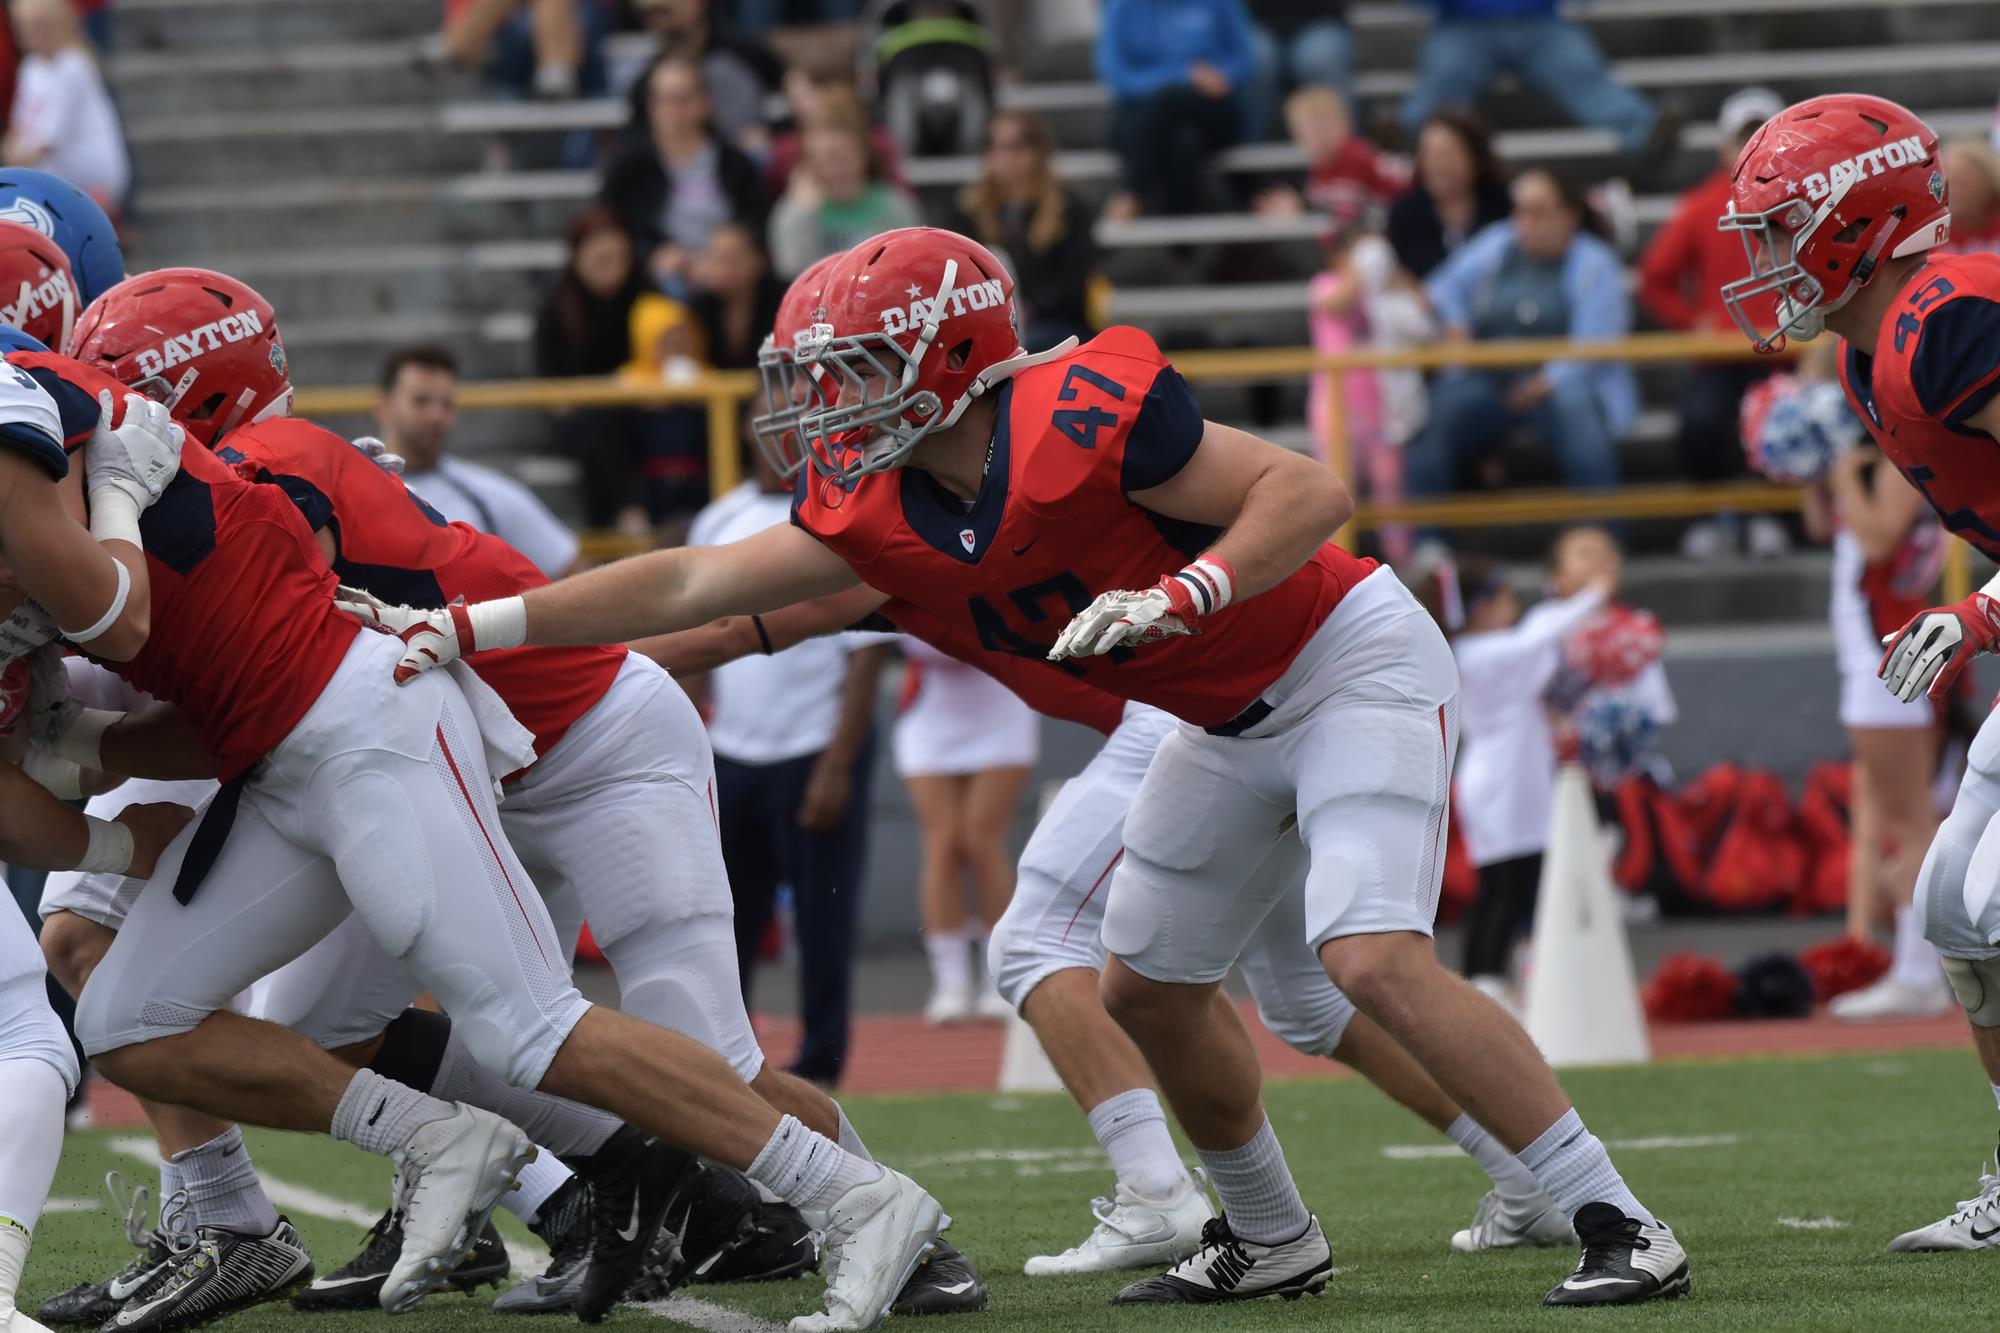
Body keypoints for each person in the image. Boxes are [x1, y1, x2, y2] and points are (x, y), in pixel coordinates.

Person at [381, 225, 1688, 1307]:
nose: (826, 401)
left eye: (856, 368)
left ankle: (1615, 1216)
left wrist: (1193, 587)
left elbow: (1304, 490)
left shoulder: (1083, 413)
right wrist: (485, 625)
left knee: (1365, 956)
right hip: (1213, 721)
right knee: (1148, 984)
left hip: (1346, 660)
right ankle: (1272, 1234)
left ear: (945, 360)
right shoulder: (883, 509)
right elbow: (696, 580)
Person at [38, 269, 955, 1333]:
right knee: (322, 1026)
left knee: (701, 1048)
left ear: (183, 399)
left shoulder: (269, 471)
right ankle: (618, 1165)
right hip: (452, 761)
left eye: (111, 390)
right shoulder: (256, 470)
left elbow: (242, 638)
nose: (87, 420)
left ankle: (898, 1229)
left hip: (586, 746)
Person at [1721, 92, 2000, 1252]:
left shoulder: (1947, 317)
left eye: (1781, 229)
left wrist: (1979, 614)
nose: (1764, 261)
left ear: (1855, 218)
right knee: (1950, 910)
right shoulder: (1865, 356)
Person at [684, 446, 892, 1086]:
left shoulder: (839, 515)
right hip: (734, 750)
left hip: (812, 747)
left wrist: (838, 762)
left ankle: (824, 1063)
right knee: (727, 918)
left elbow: (865, 655)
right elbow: (693, 635)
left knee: (822, 917)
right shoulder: (719, 519)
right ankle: (733, 1058)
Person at [1796, 402, 1950, 1021]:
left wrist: (1838, 471)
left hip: (1884, 653)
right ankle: (1924, 968)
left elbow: (1879, 536)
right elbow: (1820, 529)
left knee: (1912, 824)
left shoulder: (1898, 457)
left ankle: (1921, 973)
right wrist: (1814, 475)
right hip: (1869, 653)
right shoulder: (1866, 464)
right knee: (1903, 821)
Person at [1416, 556, 1611, 1009]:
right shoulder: (1478, 652)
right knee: (1502, 887)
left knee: (1524, 884)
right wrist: (1595, 589)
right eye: (1503, 597)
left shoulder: (1493, 648)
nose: (1513, 605)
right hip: (1500, 783)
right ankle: (1482, 983)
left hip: (1516, 779)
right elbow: (1541, 634)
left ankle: (1505, 977)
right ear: (1480, 608)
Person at [1405, 168, 1638, 513]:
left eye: (1539, 212)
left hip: (1562, 384)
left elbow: (1597, 343)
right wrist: (1456, 324)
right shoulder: (1499, 243)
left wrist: (1545, 382)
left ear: (1569, 216)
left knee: (1579, 414)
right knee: (1437, 413)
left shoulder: (1596, 263)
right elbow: (1442, 287)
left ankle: (1600, 540)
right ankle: (1430, 549)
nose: (1526, 222)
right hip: (1490, 377)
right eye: (1520, 211)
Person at [1637, 87, 1789, 560]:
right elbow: (1654, 277)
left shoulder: (1804, 197)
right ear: (1725, 148)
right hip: (1724, 353)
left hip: (1789, 349)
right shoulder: (1702, 206)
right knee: (1701, 424)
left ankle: (1772, 516)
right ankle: (1716, 514)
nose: (1750, 149)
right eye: (1744, 139)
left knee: (1785, 424)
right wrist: (1691, 322)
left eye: (1762, 137)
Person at [894, 635, 1038, 1023]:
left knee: (980, 840)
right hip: (929, 716)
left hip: (1002, 712)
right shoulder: (897, 584)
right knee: (941, 845)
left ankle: (997, 978)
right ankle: (951, 983)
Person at [375, 345, 580, 580]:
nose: (436, 415)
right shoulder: (345, 488)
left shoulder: (488, 496)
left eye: (447, 404)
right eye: (421, 401)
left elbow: (571, 571)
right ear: (383, 406)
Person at [1397, 0, 1670, 164]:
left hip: (1540, 26)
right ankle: (1407, 136)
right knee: (1445, 79)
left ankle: (1647, 134)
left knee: (1582, 72)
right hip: (1464, 28)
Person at [600, 54, 770, 299]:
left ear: (704, 102)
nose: (672, 111)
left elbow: (754, 222)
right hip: (660, 275)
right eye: (663, 100)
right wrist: (650, 255)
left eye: (682, 100)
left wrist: (720, 256)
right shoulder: (627, 167)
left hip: (726, 268)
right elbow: (610, 227)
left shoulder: (735, 163)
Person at [532, 206, 656, 534]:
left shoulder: (644, 293)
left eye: (621, 259)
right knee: (599, 425)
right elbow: (552, 388)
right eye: (602, 260)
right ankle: (624, 513)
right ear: (577, 258)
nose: (614, 270)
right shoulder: (556, 308)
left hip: (640, 408)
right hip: (584, 418)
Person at [946, 110, 1096, 352]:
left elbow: (1073, 286)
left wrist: (1026, 310)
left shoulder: (1069, 208)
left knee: (1023, 346)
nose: (1005, 157)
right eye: (996, 147)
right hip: (989, 324)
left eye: (1016, 146)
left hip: (1053, 323)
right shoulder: (968, 210)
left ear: (1038, 152)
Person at [1094, 0, 1251, 220]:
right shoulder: (1122, 6)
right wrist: (1183, 77)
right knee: (1185, 140)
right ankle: (1183, 244)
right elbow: (1116, 73)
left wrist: (1221, 76)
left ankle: (1134, 191)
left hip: (1206, 108)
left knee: (1169, 110)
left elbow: (1243, 58)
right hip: (1146, 110)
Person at [2, 0, 129, 211]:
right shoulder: (31, 67)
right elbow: (19, 126)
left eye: (41, 26)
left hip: (86, 176)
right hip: (52, 171)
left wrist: (14, 171)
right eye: (25, 27)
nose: (32, 34)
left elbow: (49, 140)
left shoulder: (73, 66)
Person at [767, 119, 921, 279]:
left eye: (845, 158)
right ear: (808, 164)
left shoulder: (893, 204)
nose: (838, 169)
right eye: (827, 159)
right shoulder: (796, 211)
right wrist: (802, 213)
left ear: (864, 156)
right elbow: (791, 272)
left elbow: (911, 262)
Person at [624, 0, 784, 154]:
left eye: (666, 12)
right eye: (649, 14)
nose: (659, 23)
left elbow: (797, 102)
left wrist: (769, 133)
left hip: (745, 166)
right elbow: (638, 141)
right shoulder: (645, 84)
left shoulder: (745, 55)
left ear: (697, 3)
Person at [1386, 108, 1512, 280]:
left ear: (1475, 157)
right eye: (1428, 154)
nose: (1437, 165)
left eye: (1447, 154)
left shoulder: (1503, 206)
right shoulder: (1405, 212)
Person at [1253, 85, 1407, 224]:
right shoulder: (1320, 168)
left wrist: (1300, 212)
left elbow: (1346, 219)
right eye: (1307, 131)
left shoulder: (1355, 157)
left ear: (1344, 125)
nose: (1316, 137)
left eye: (1322, 127)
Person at [1242, 0, 1351, 141]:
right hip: (1254, 24)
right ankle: (1249, 142)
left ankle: (1343, 150)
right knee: (1256, 58)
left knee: (1320, 59)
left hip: (1320, 21)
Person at [1940, 139, 2000, 255]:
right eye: (1950, 182)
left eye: (1964, 182)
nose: (1955, 191)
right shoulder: (1932, 235)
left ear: (1987, 183)